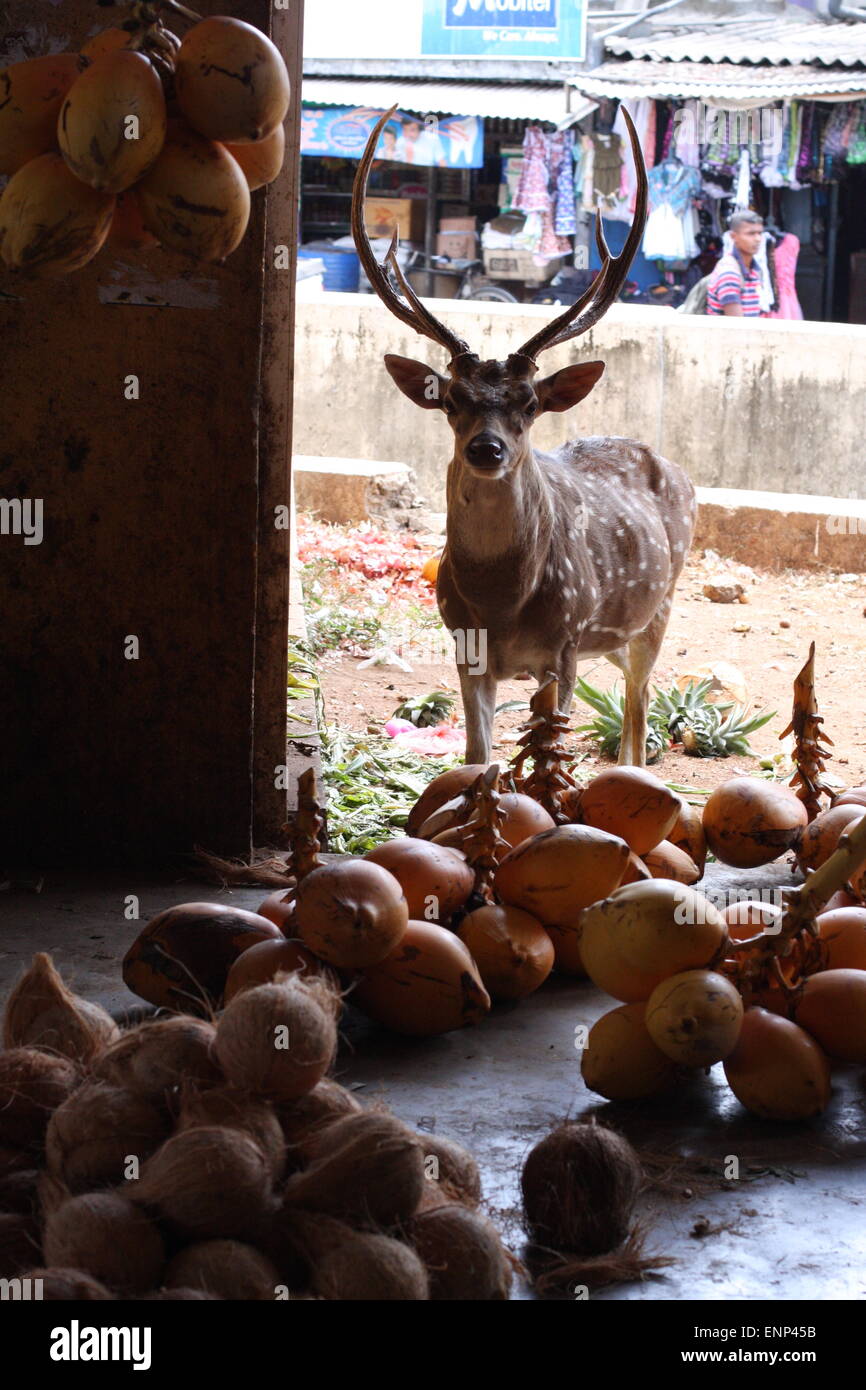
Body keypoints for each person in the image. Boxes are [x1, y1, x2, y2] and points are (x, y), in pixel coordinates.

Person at [706, 210, 765, 317]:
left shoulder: (754, 269)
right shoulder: (730, 273)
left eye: (760, 233)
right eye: (751, 234)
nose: (758, 239)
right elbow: (737, 327)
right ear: (734, 237)